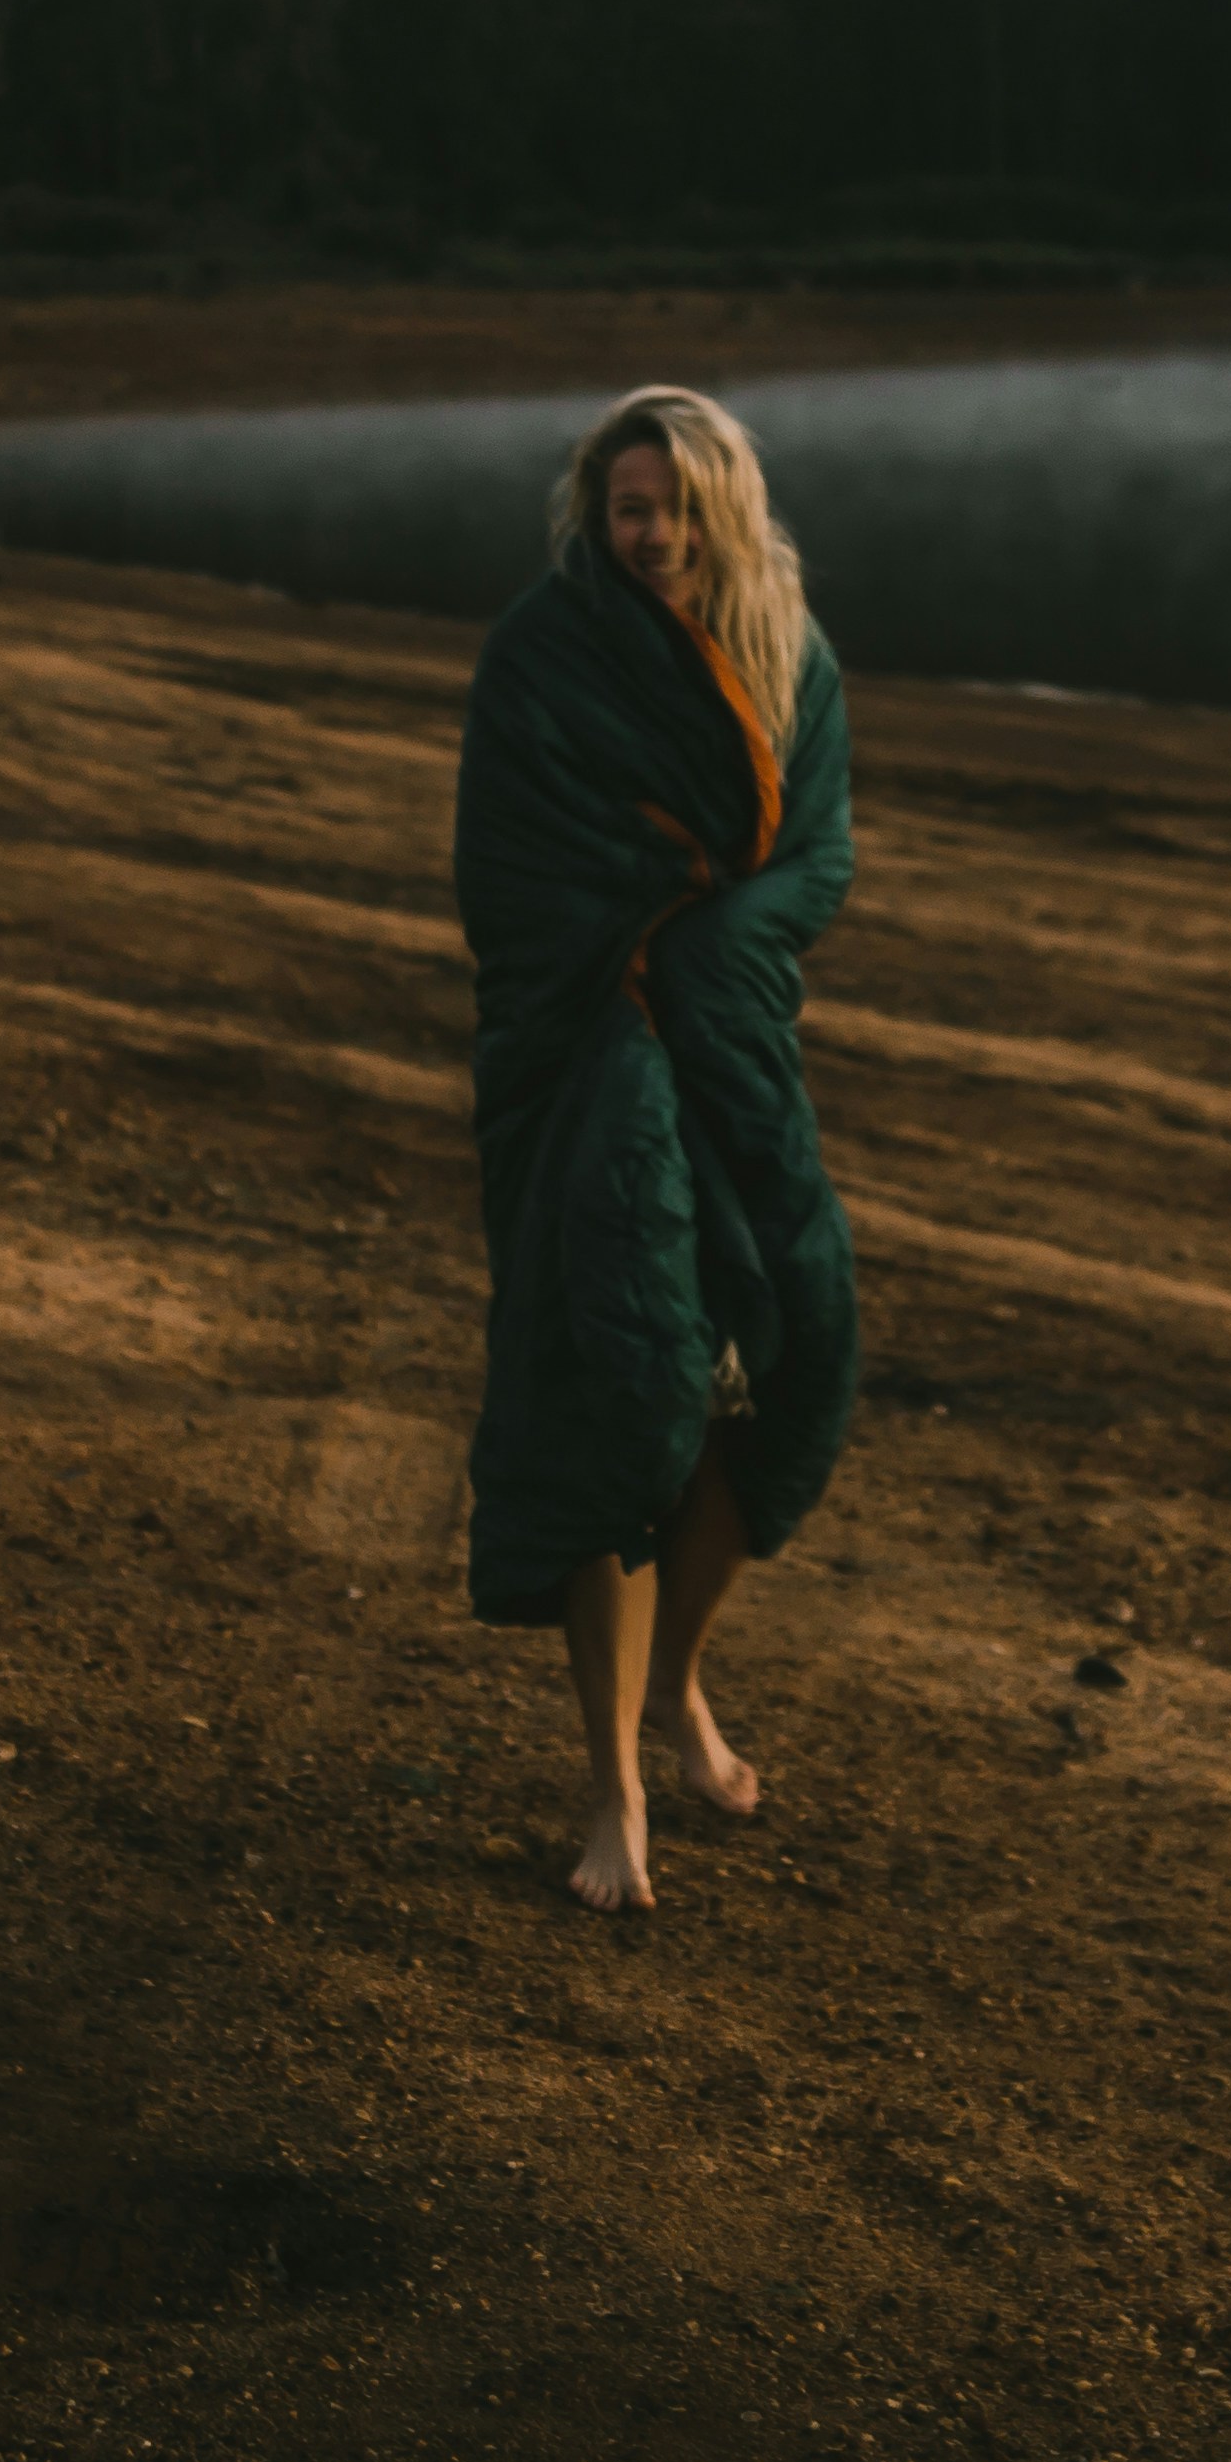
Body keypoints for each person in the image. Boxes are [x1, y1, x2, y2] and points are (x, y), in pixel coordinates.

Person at [454, 385, 861, 1913]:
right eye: (633, 508)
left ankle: (675, 1680)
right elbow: (509, 878)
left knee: (796, 1346)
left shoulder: (787, 653)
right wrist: (647, 955)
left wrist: (703, 959)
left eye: (683, 507)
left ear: (729, 510)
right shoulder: (538, 660)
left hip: (728, 1055)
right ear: (594, 511)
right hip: (582, 1060)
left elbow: (817, 849)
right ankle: (612, 1785)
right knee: (617, 1383)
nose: (658, 536)